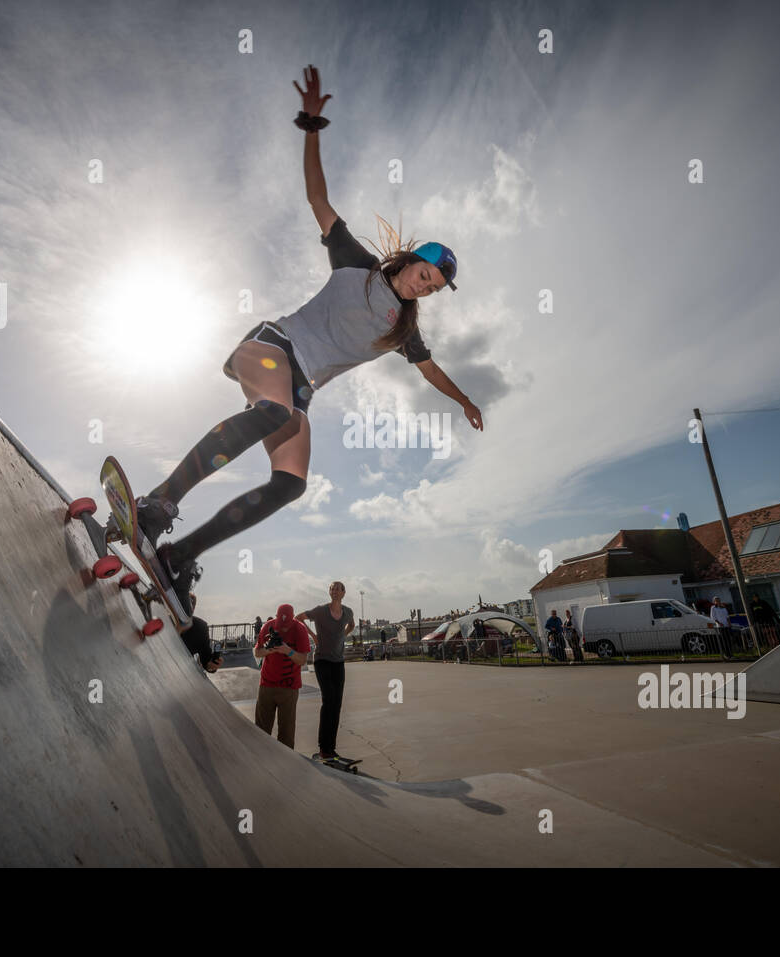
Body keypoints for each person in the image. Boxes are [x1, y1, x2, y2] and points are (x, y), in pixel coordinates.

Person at [122, 65, 481, 616]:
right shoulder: (355, 263)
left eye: (431, 288)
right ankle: (159, 503)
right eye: (422, 275)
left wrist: (462, 400)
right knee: (272, 408)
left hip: (300, 388)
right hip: (271, 347)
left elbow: (429, 370)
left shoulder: (405, 328)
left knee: (290, 484)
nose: (422, 288)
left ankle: (177, 556)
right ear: (410, 259)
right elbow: (318, 195)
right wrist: (312, 126)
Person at [297, 582, 354, 761]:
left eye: (339, 589)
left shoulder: (348, 612)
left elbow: (351, 625)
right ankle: (323, 748)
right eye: (333, 588)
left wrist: (343, 635)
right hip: (322, 661)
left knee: (336, 704)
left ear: (344, 593)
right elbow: (299, 618)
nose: (335, 591)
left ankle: (331, 748)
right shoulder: (320, 611)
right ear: (329, 592)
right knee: (328, 700)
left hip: (338, 662)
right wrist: (313, 636)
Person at [253, 604, 311, 748]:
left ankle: (285, 765)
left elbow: (303, 660)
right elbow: (257, 652)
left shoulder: (300, 629)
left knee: (286, 733)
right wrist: (269, 650)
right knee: (261, 729)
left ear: (292, 619)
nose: (283, 629)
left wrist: (288, 651)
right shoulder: (268, 626)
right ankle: (261, 760)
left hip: (289, 688)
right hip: (267, 684)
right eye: (281, 625)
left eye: (286, 626)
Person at [179, 593, 223, 673]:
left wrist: (212, 666)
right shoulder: (166, 621)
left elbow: (206, 659)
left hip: (183, 670)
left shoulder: (201, 628)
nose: (187, 610)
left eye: (191, 606)